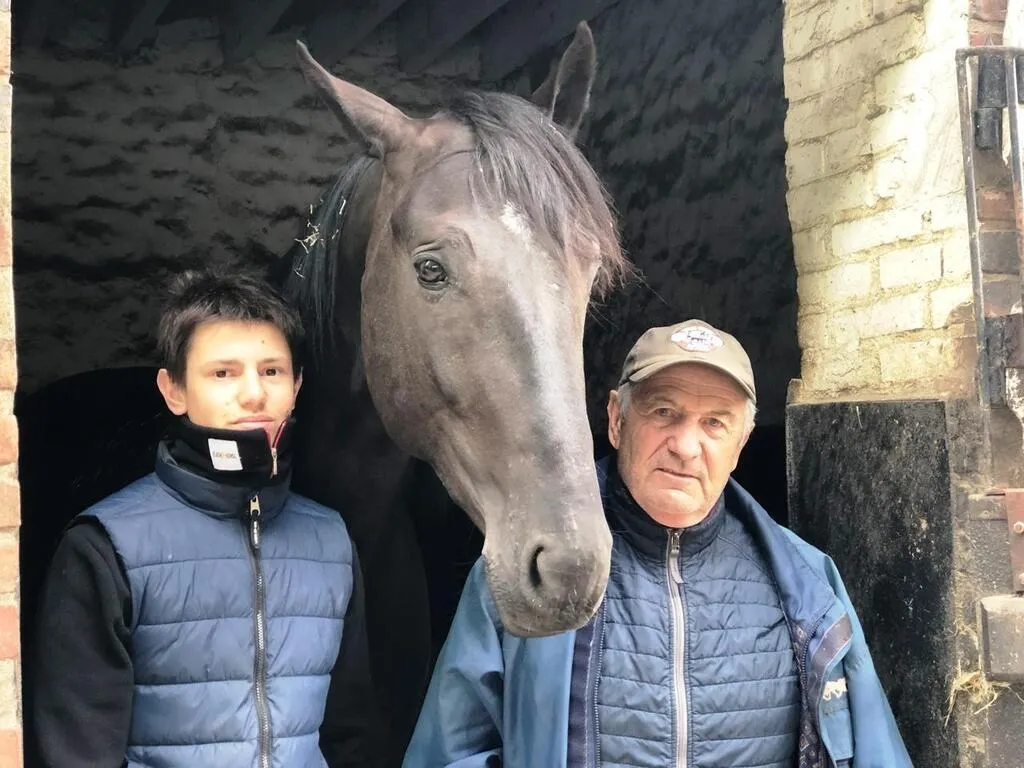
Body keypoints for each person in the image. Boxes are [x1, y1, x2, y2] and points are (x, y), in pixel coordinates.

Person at [403, 319, 912, 767]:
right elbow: (454, 750)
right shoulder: (531, 565)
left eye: (715, 422)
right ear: (617, 421)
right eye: (664, 412)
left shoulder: (807, 586)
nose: (686, 446)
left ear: (741, 444)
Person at [31, 270, 382, 767]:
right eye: (223, 373)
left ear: (297, 386)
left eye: (272, 371)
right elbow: (76, 750)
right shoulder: (106, 546)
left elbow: (352, 734)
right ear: (174, 390)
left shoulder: (330, 540)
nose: (253, 393)